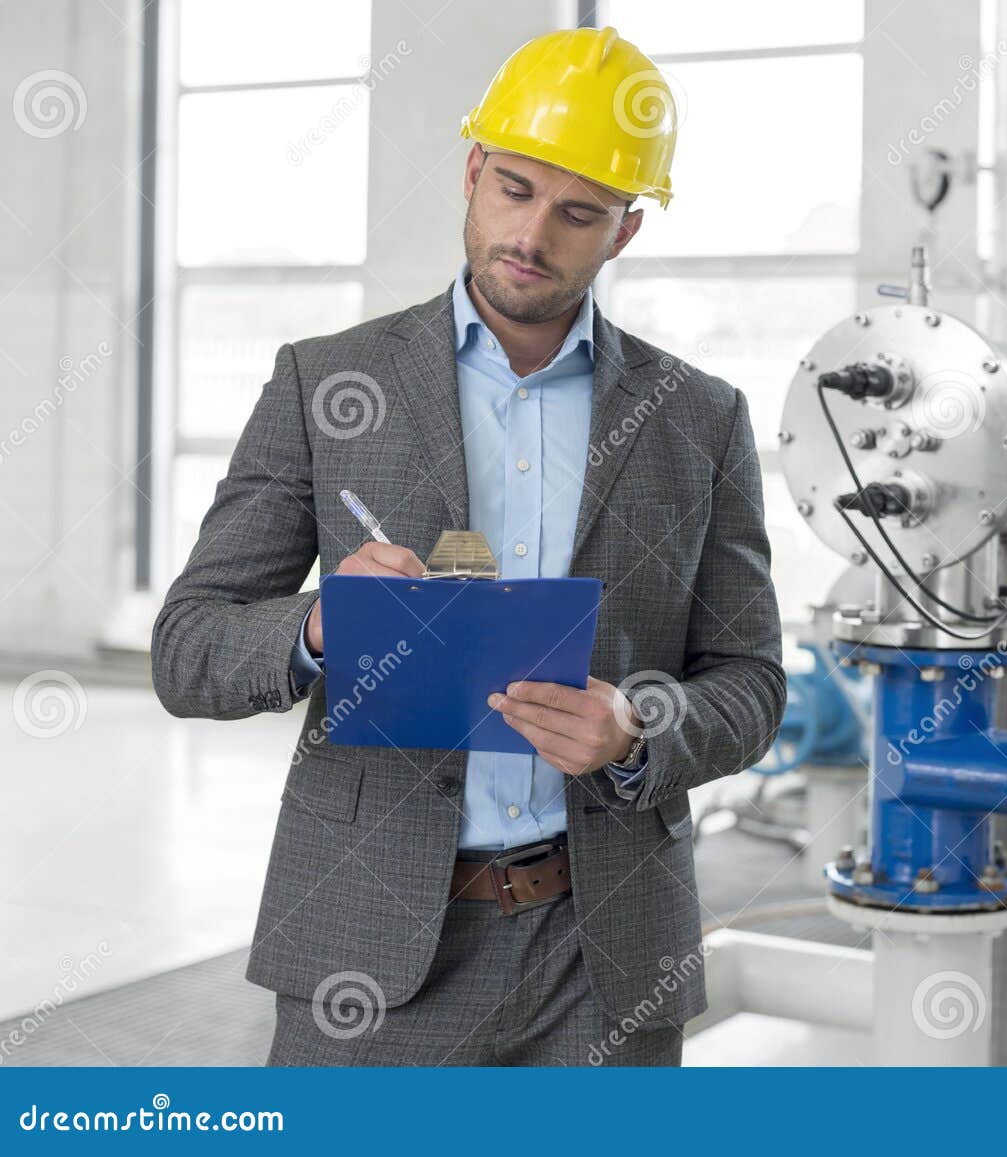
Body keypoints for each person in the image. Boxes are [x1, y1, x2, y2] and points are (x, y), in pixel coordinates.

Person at [151, 25, 785, 1066]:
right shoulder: (328, 383)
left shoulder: (697, 419)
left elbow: (751, 680)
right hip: (370, 948)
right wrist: (323, 622)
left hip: (605, 956)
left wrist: (638, 728)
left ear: (624, 231)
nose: (531, 233)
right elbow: (187, 648)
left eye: (577, 212)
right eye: (515, 189)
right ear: (472, 172)